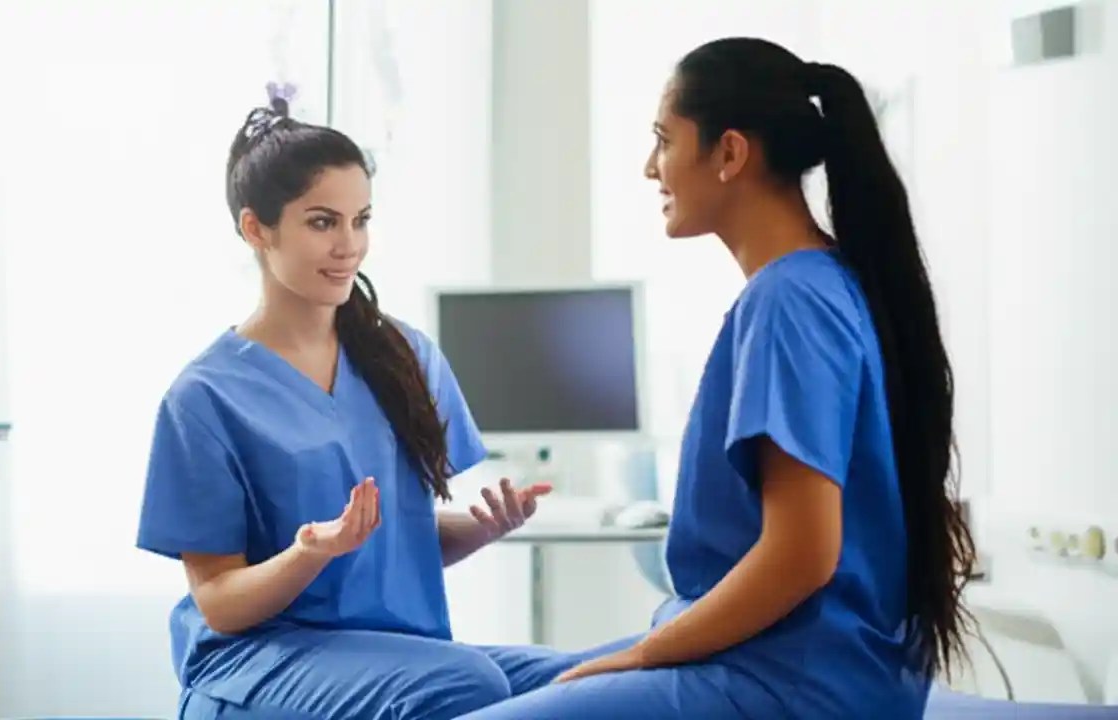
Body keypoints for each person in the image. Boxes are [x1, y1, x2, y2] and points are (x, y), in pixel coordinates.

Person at [458, 37, 976, 720]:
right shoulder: (825, 283)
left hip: (792, 682)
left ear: (730, 154)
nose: (651, 168)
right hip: (796, 662)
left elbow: (802, 555)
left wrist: (646, 654)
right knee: (471, 680)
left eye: (662, 141)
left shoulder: (790, 300)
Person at [135, 84, 555, 720]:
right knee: (469, 686)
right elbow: (218, 601)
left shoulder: (404, 356)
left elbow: (392, 545)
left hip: (398, 656)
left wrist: (481, 528)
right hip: (260, 664)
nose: (349, 245)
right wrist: (309, 552)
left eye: (360, 220)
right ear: (256, 228)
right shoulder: (206, 398)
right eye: (323, 222)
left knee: (595, 677)